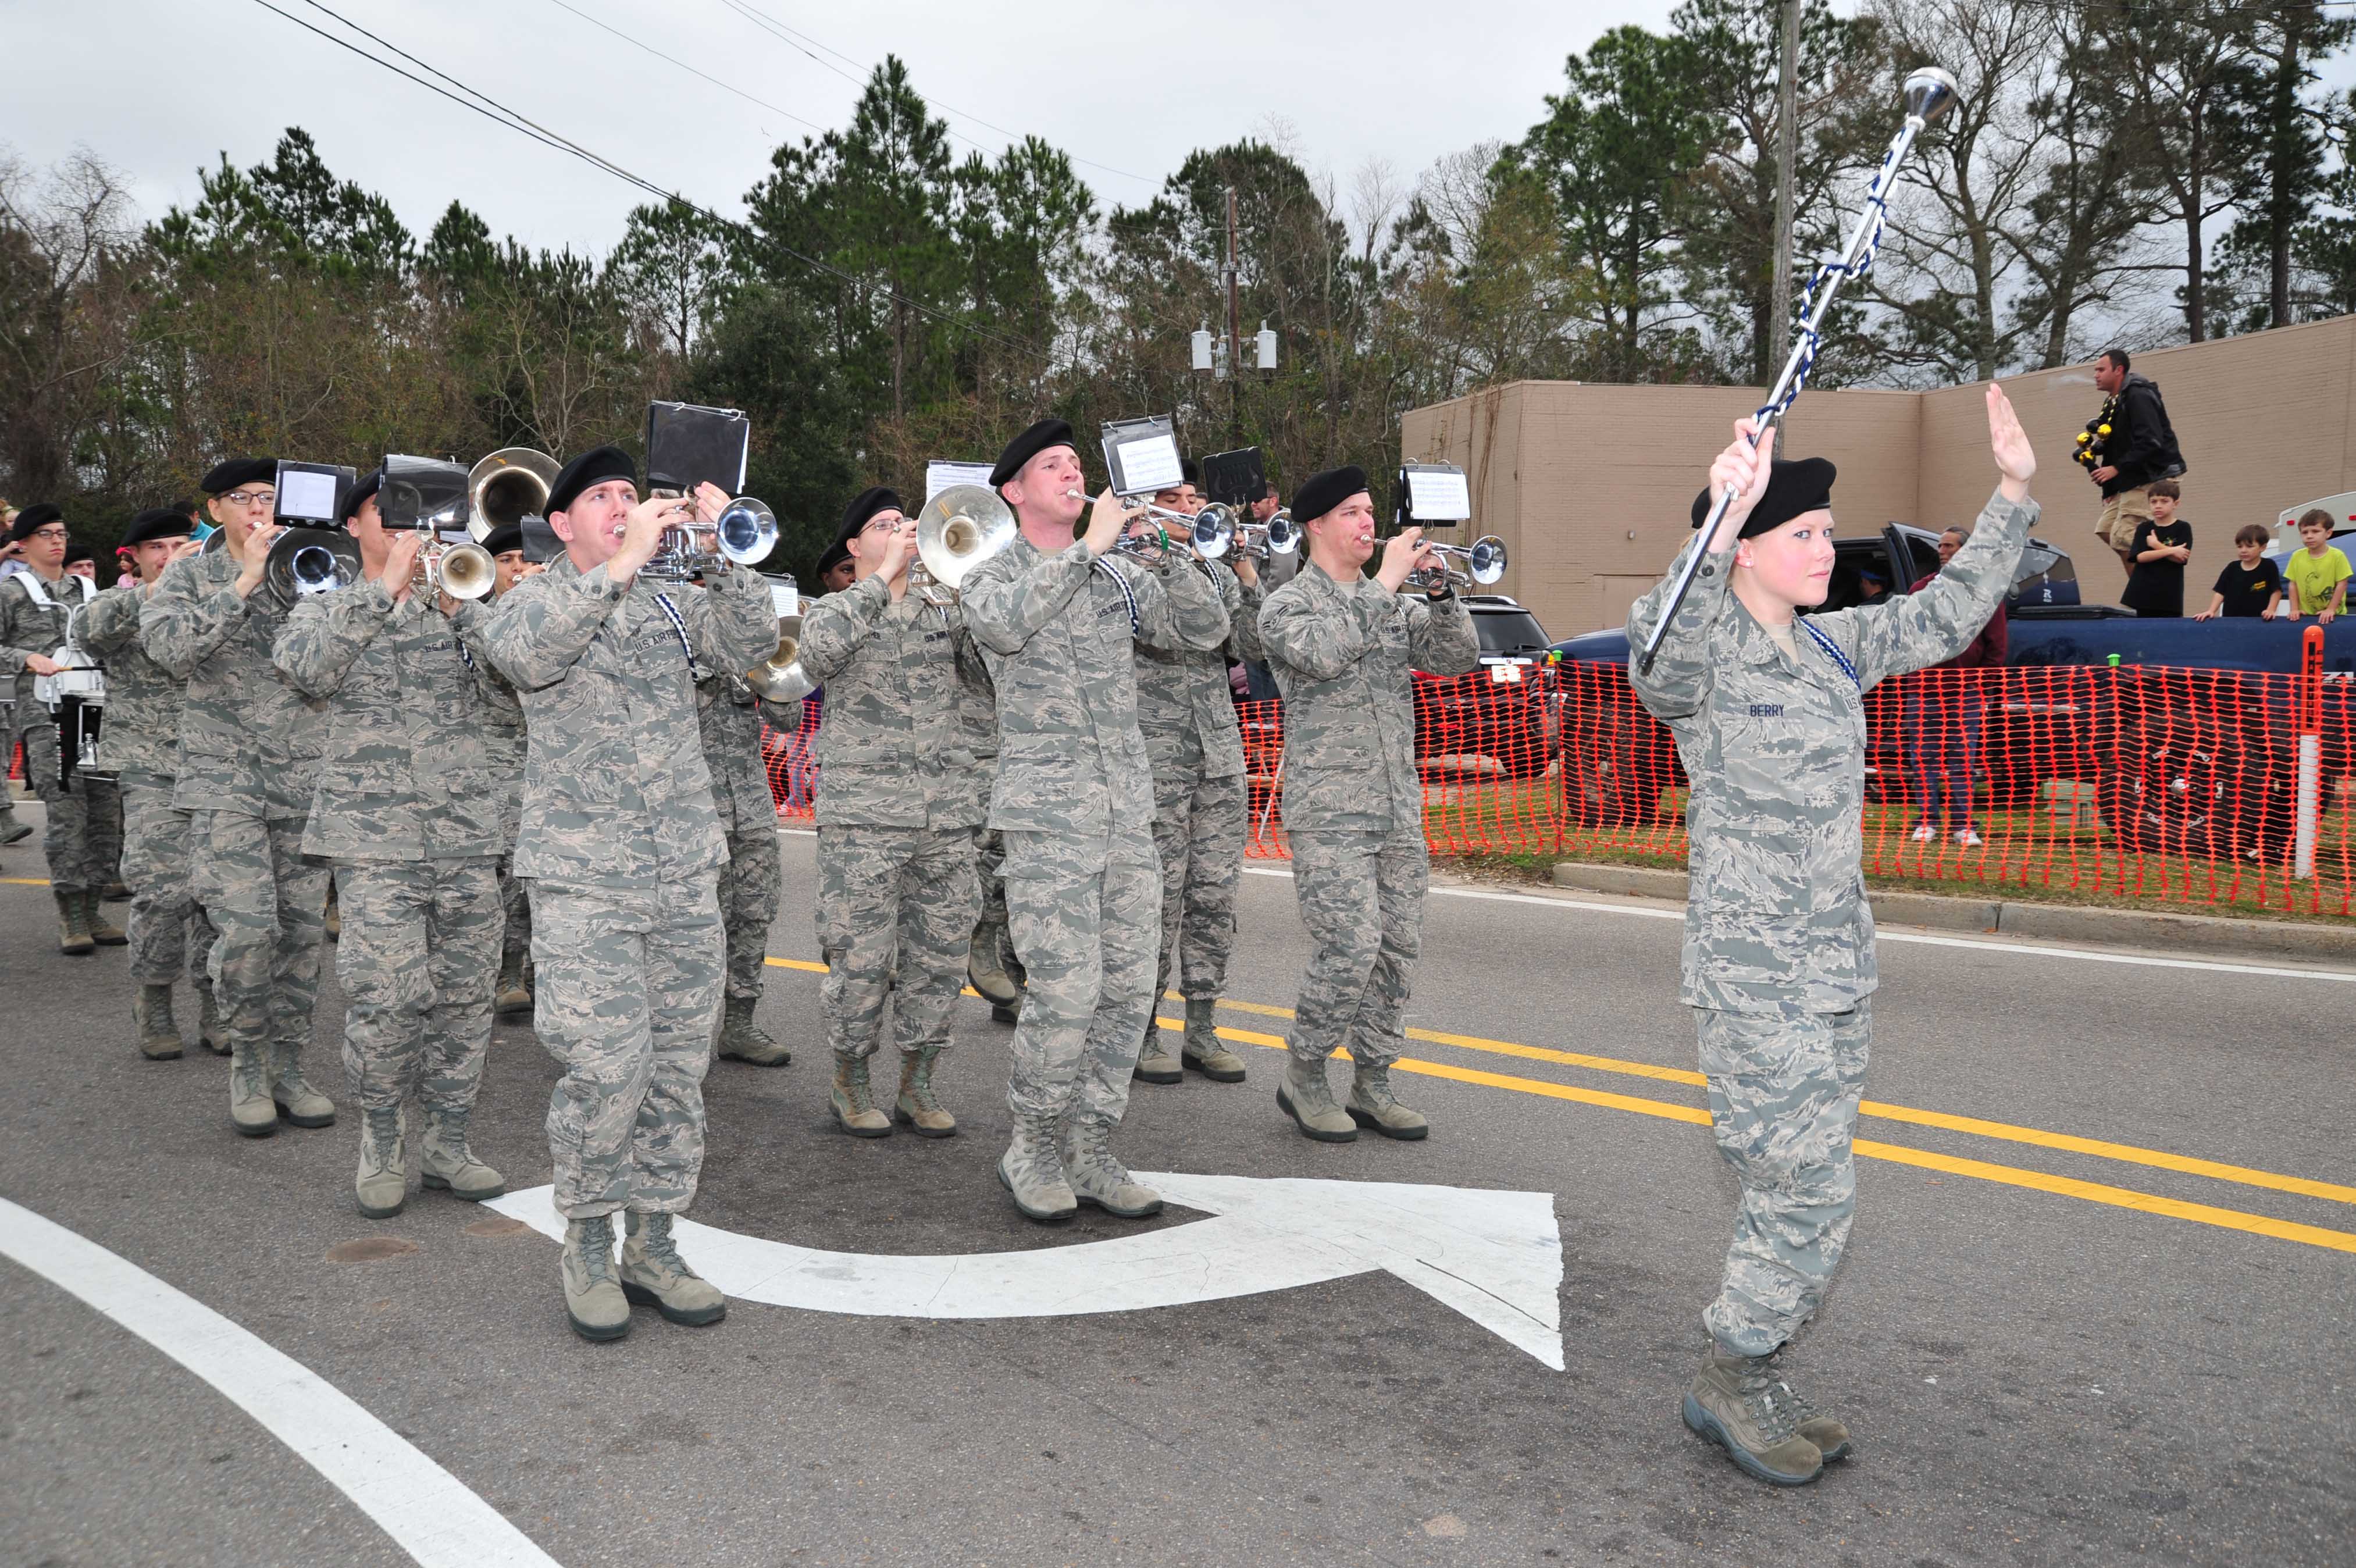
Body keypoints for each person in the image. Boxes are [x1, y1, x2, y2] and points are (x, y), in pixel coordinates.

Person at [1626, 386, 2037, 1487]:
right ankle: (1730, 1366)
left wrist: (2010, 492)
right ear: (1748, 554)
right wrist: (1714, 519)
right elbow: (1652, 656)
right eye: (1801, 534)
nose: (1825, 548)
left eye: (1823, 532)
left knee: (1795, 1186)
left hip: (1836, 972)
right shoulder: (1705, 661)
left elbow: (1947, 617)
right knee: (1809, 1189)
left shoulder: (1836, 650)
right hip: (1752, 977)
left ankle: (1752, 1371)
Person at [476, 445, 774, 1342]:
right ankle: (588, 1243)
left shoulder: (672, 608)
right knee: (608, 1070)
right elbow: (526, 660)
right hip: (583, 880)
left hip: (683, 870)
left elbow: (754, 648)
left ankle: (653, 1243)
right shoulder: (530, 600)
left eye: (626, 495)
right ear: (560, 523)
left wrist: (724, 553)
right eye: (599, 499)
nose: (621, 506)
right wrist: (619, 566)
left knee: (680, 1071)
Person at [959, 418, 1228, 1223]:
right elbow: (1003, 628)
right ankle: (1033, 1145)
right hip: (1047, 820)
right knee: (1065, 991)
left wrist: (1167, 549)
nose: (1072, 476)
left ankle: (1091, 1143)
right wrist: (1085, 550)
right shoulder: (988, 571)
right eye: (1053, 465)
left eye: (1076, 464)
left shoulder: (1114, 572)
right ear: (1013, 491)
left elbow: (1202, 632)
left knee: (1124, 991)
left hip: (1126, 815)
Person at [272, 470, 515, 1218]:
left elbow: (517, 687)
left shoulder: (467, 601)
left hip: (468, 837)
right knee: (386, 998)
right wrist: (384, 590)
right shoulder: (326, 605)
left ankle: (447, 1140)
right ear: (355, 527)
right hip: (373, 841)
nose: (413, 527)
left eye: (426, 514)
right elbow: (303, 667)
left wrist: (466, 608)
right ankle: (382, 1136)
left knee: (466, 997)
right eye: (392, 512)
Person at [1257, 468, 1479, 1143]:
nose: (1366, 523)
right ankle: (1304, 1071)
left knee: (1395, 950)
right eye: (1352, 512)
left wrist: (1440, 595)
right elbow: (1324, 656)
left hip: (1395, 807)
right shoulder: (1286, 605)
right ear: (1316, 524)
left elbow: (1455, 659)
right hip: (1330, 809)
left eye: (1370, 511)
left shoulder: (1396, 606)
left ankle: (1374, 1080)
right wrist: (1384, 583)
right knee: (1349, 945)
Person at [144, 458, 336, 1138]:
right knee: (250, 930)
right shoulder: (189, 574)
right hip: (224, 778)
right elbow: (168, 649)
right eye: (243, 497)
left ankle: (289, 1064)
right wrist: (246, 579)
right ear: (216, 507)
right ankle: (249, 1062)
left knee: (301, 936)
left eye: (268, 496)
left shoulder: (316, 563)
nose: (258, 507)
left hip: (303, 775)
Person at [798, 485, 995, 1136]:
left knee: (938, 958)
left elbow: (995, 670)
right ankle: (850, 1078)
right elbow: (815, 655)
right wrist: (880, 580)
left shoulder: (947, 609)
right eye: (886, 525)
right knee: (860, 959)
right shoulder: (837, 608)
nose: (905, 532)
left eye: (908, 523)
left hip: (945, 816)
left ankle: (919, 1079)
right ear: (855, 546)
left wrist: (973, 584)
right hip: (865, 820)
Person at [1129, 460, 1259, 1087]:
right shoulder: (1125, 569)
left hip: (1218, 753)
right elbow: (1163, 633)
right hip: (1155, 756)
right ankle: (1143, 1024)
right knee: (1156, 897)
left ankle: (1202, 1025)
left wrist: (1244, 569)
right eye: (1170, 499)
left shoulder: (1212, 569)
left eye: (1192, 498)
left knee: (1213, 896)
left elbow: (1247, 643)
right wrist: (1152, 553)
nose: (1186, 509)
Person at [78, 508, 223, 1057]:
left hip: (218, 767)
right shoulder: (117, 604)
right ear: (133, 558)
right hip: (152, 768)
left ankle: (215, 1004)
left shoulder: (216, 599)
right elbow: (90, 635)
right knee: (164, 894)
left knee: (219, 900)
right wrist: (159, 590)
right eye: (157, 548)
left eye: (181, 545)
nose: (169, 556)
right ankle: (156, 999)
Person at [0, 503, 126, 953]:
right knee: (68, 811)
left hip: (96, 708)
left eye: (62, 533)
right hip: (45, 713)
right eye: (47, 534)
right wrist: (24, 657)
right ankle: (70, 913)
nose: (58, 541)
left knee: (105, 812)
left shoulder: (89, 589)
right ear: (26, 543)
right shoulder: (12, 592)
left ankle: (94, 906)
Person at [694, 558, 790, 1070]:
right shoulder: (680, 633)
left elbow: (788, 715)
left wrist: (761, 668)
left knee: (753, 917)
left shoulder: (749, 648)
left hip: (751, 809)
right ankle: (676, 1031)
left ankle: (739, 1025)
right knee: (690, 925)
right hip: (693, 811)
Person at [1905, 526, 2008, 847]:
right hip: (1924, 690)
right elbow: (1908, 635)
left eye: (1949, 546)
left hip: (1966, 693)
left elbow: (1997, 646)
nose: (1942, 550)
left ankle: (1964, 826)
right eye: (1940, 545)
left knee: (1962, 760)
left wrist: (1980, 683)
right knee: (1923, 758)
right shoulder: (1921, 590)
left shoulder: (1984, 594)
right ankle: (1927, 821)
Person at [482, 521, 539, 1017]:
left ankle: (541, 973)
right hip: (498, 766)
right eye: (506, 561)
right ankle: (504, 970)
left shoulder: (554, 615)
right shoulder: (481, 619)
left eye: (525, 559)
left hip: (549, 763)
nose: (518, 569)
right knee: (508, 878)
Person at [2088, 347, 2185, 571]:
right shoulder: (2112, 402)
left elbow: (2151, 441)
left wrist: (2116, 470)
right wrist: (2110, 489)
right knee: (2107, 528)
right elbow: (2113, 448)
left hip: (2153, 476)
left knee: (2124, 536)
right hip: (2132, 477)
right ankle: (2151, 574)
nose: (2096, 375)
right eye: (2095, 370)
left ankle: (2149, 591)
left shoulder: (2138, 395)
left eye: (2101, 369)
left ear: (2119, 370)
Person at [2121, 479, 2191, 619]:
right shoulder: (2144, 528)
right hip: (2142, 594)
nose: (2158, 506)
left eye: (2164, 501)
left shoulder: (2183, 528)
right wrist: (2172, 550)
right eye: (2154, 502)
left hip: (2169, 596)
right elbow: (2140, 557)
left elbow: (2181, 558)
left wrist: (2155, 545)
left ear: (2176, 504)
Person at [2194, 525, 2284, 619]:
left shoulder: (2269, 566)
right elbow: (2220, 592)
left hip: (2258, 621)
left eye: (2249, 547)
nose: (2243, 551)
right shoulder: (2232, 567)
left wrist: (2271, 610)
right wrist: (2211, 611)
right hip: (2230, 620)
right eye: (2240, 547)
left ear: (2263, 547)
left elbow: (2276, 591)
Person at [2280, 508, 2350, 623]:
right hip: (2305, 616)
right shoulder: (2297, 556)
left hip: (2334, 616)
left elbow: (2342, 584)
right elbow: (2293, 584)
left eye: (2315, 531)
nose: (2309, 536)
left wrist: (2331, 609)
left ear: (2328, 533)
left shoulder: (2337, 556)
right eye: (2305, 532)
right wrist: (2294, 609)